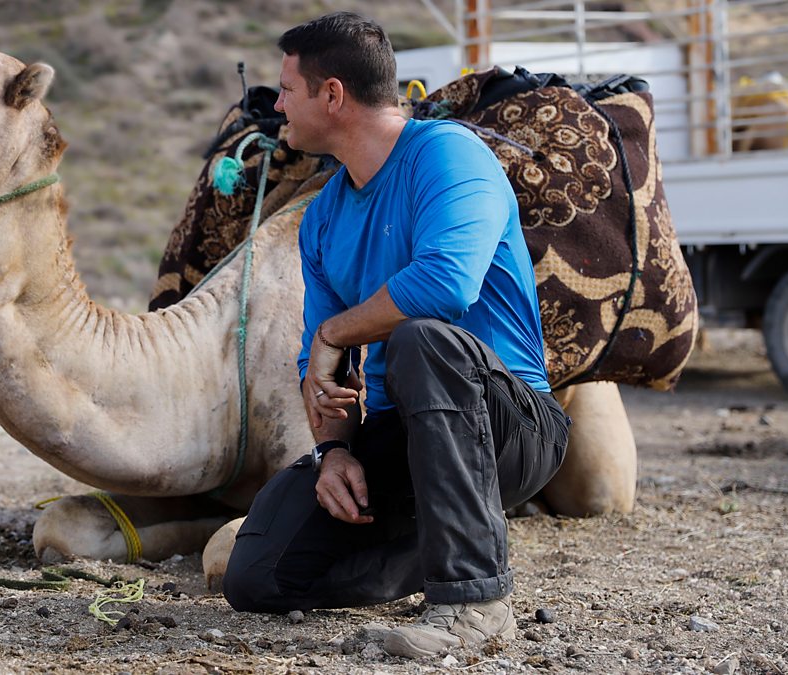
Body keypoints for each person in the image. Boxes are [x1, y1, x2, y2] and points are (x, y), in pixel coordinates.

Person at [221, 11, 571, 658]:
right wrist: (335, 451)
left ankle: (475, 606)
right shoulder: (324, 216)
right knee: (258, 573)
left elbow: (446, 284)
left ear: (333, 95)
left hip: (510, 427)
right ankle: (451, 544)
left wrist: (335, 332)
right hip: (409, 438)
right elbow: (317, 364)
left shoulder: (448, 154)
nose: (276, 106)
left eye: (287, 90)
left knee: (422, 340)